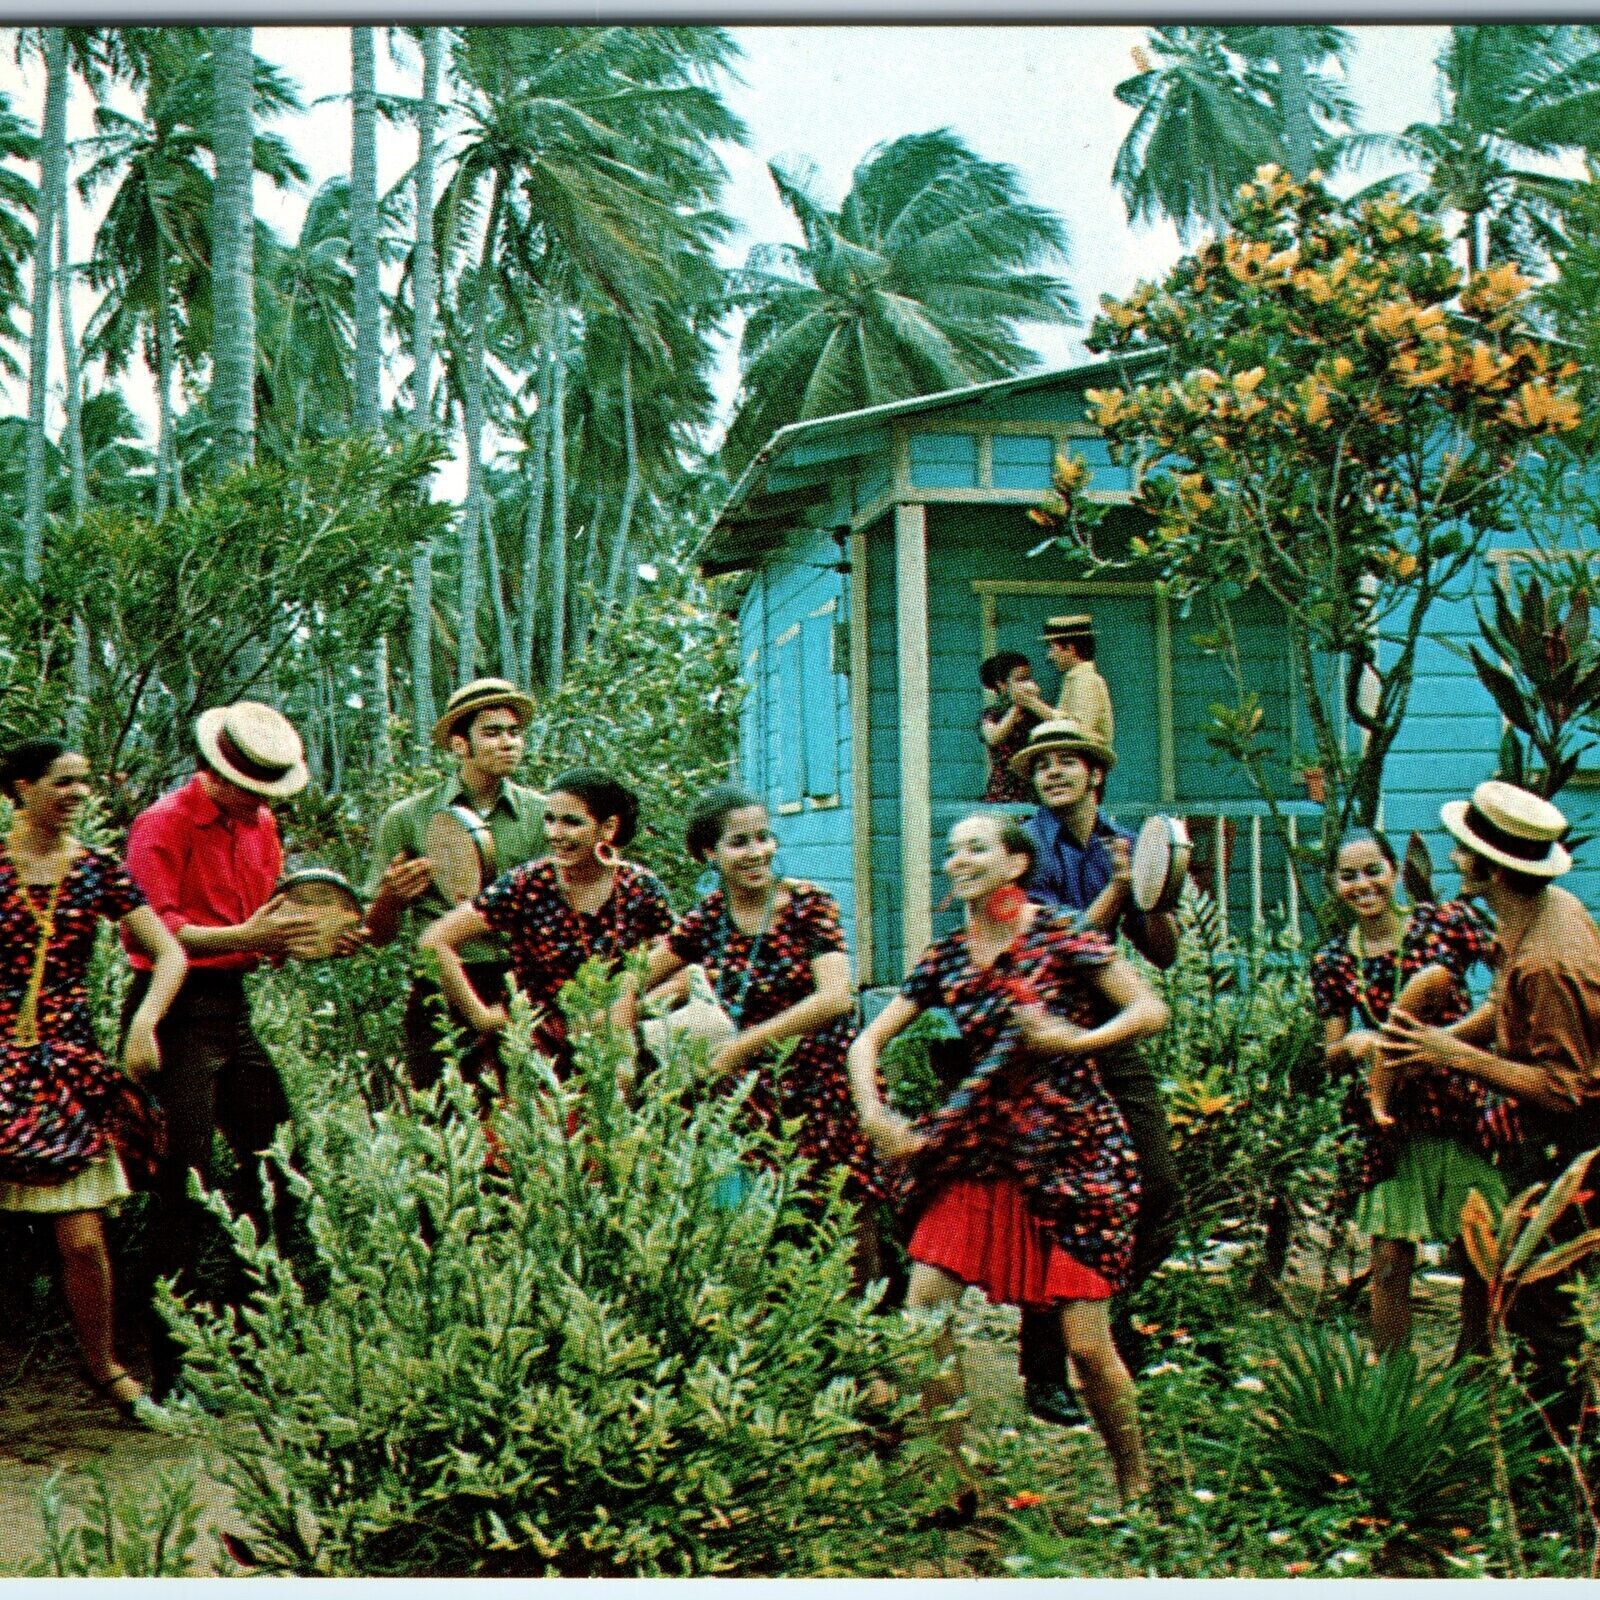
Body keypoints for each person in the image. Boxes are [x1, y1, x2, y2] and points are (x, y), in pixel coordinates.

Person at [848, 810, 1168, 1508]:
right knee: (922, 1317)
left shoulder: (1061, 934)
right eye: (952, 849)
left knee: (1087, 1347)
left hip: (1077, 1153)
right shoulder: (944, 957)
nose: (958, 860)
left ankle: (1134, 1481)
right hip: (984, 1153)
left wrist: (1071, 1041)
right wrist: (875, 1114)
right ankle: (954, 1478)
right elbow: (863, 1043)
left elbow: (1148, 1010)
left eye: (976, 848)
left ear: (1016, 864)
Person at [122, 701, 325, 1400]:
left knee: (277, 1163)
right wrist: (251, 936)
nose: (263, 803)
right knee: (185, 1181)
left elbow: (259, 917)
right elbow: (160, 931)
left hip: (232, 1009)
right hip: (174, 1011)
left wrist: (291, 936)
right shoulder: (163, 825)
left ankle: (253, 1331)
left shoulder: (259, 824)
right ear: (218, 773)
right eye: (253, 788)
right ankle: (172, 1367)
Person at [1384, 781, 1600, 1424]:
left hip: (1570, 1139)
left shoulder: (1548, 960)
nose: (1453, 855)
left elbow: (1568, 1086)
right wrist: (1432, 1041)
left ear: (1491, 868)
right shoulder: (1540, 910)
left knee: (1543, 1293)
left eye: (1465, 848)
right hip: (1552, 1128)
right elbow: (1507, 1013)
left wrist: (1457, 1059)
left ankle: (1563, 1445)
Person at [0, 740, 187, 1428]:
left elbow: (167, 950)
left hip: (64, 1070)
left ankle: (107, 1370)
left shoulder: (97, 871)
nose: (78, 793)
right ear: (21, 788)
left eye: (84, 782)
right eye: (63, 782)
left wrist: (144, 1023)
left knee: (81, 1237)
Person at [643, 786, 884, 1281]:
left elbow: (836, 996)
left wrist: (742, 1048)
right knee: (747, 1222)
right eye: (739, 843)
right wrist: (622, 1022)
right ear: (708, 854)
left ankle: (872, 1343)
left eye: (763, 838)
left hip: (819, 1088)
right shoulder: (708, 918)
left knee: (845, 1219)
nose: (757, 853)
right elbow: (631, 978)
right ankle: (776, 1340)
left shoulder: (807, 905)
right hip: (748, 1098)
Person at [1011, 717, 1180, 1423]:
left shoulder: (1126, 842)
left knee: (1158, 1191)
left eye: (1066, 761)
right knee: (1050, 1204)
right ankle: (1045, 1371)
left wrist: (1154, 889)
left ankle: (1101, 1328)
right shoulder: (1022, 847)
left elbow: (1163, 953)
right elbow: (1056, 947)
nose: (1053, 772)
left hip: (1109, 1029)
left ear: (1095, 772)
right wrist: (1117, 890)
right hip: (1042, 1037)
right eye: (1041, 763)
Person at [1309, 826, 1501, 1354]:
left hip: (1458, 1104)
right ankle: (1392, 1384)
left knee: (1478, 1250)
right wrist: (1352, 1044)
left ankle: (1475, 1365)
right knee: (1391, 1262)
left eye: (1374, 871)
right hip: (1391, 1120)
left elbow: (1509, 978)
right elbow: (1328, 1051)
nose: (1363, 885)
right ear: (1333, 884)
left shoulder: (1445, 925)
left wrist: (1469, 1038)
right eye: (1348, 876)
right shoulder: (1332, 961)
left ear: (1394, 872)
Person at [420, 769, 673, 1079]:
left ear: (607, 828)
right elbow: (435, 940)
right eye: (550, 820)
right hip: (535, 1045)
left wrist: (628, 1006)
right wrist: (481, 1018)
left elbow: (679, 961)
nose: (555, 833)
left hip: (611, 1042)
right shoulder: (527, 883)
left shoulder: (639, 887)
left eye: (572, 822)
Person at [362, 678, 545, 1095]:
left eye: (514, 732)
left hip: (520, 982)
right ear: (460, 745)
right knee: (445, 1121)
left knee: (530, 1118)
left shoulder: (544, 815)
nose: (509, 743)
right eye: (492, 733)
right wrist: (391, 897)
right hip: (442, 985)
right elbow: (376, 935)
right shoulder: (409, 818)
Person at [978, 651, 1049, 803]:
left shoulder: (1035, 713)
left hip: (1035, 791)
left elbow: (1057, 723)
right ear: (1002, 685)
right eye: (1020, 680)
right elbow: (993, 737)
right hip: (1004, 792)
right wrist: (1017, 706)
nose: (1026, 684)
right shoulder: (992, 714)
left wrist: (1034, 704)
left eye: (1028, 678)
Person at [1041, 615, 1114, 748]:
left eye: (1052, 648)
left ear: (1070, 648)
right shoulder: (1074, 679)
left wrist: (1033, 704)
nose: (1049, 656)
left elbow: (1077, 731)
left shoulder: (1086, 681)